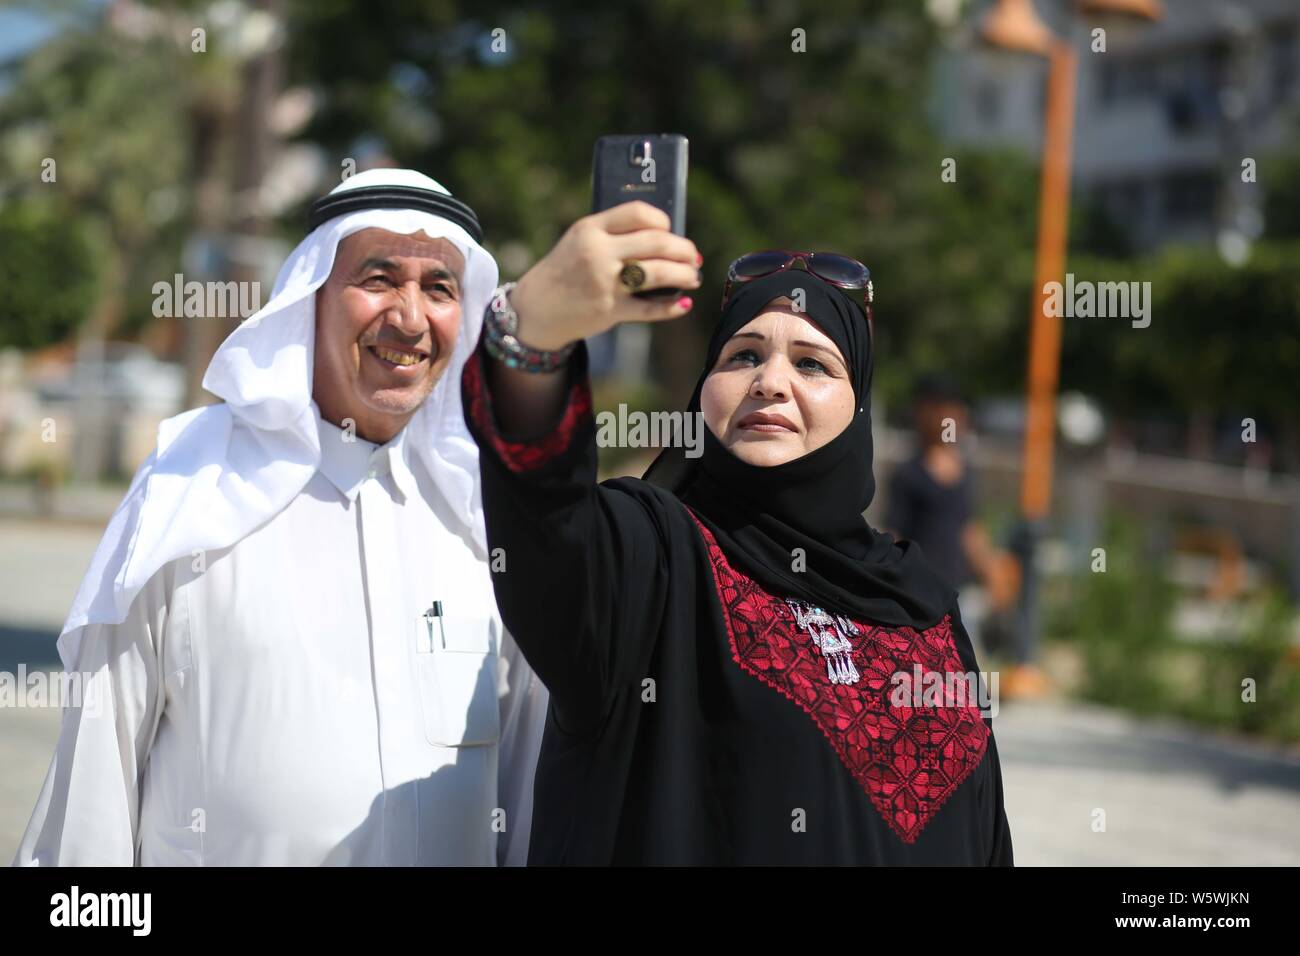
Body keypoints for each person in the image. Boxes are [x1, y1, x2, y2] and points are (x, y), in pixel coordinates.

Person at [15, 168, 547, 866]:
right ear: (310, 300)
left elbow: (533, 797)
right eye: (379, 279)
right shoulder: (192, 489)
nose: (411, 317)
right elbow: (93, 790)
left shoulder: (485, 519)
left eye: (439, 288)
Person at [460, 202, 1013, 864]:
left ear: (858, 405)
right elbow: (545, 516)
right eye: (743, 354)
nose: (770, 383)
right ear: (704, 390)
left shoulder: (922, 601)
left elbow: (986, 837)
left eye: (812, 364)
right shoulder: (653, 557)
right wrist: (534, 332)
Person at [885, 374, 1020, 663]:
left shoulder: (963, 471)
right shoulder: (909, 474)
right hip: (922, 594)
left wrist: (994, 572)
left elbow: (970, 530)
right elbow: (894, 535)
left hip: (961, 594)